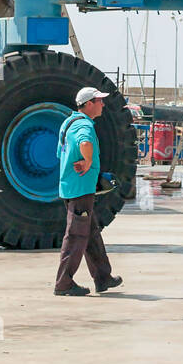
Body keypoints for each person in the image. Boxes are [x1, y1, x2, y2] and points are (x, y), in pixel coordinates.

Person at [54, 86, 123, 297]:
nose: (103, 104)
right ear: (89, 104)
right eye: (99, 100)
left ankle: (103, 278)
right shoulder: (83, 125)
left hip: (72, 186)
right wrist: (88, 161)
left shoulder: (68, 123)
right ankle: (63, 283)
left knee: (91, 233)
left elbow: (60, 153)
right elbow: (84, 142)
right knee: (76, 236)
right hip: (80, 189)